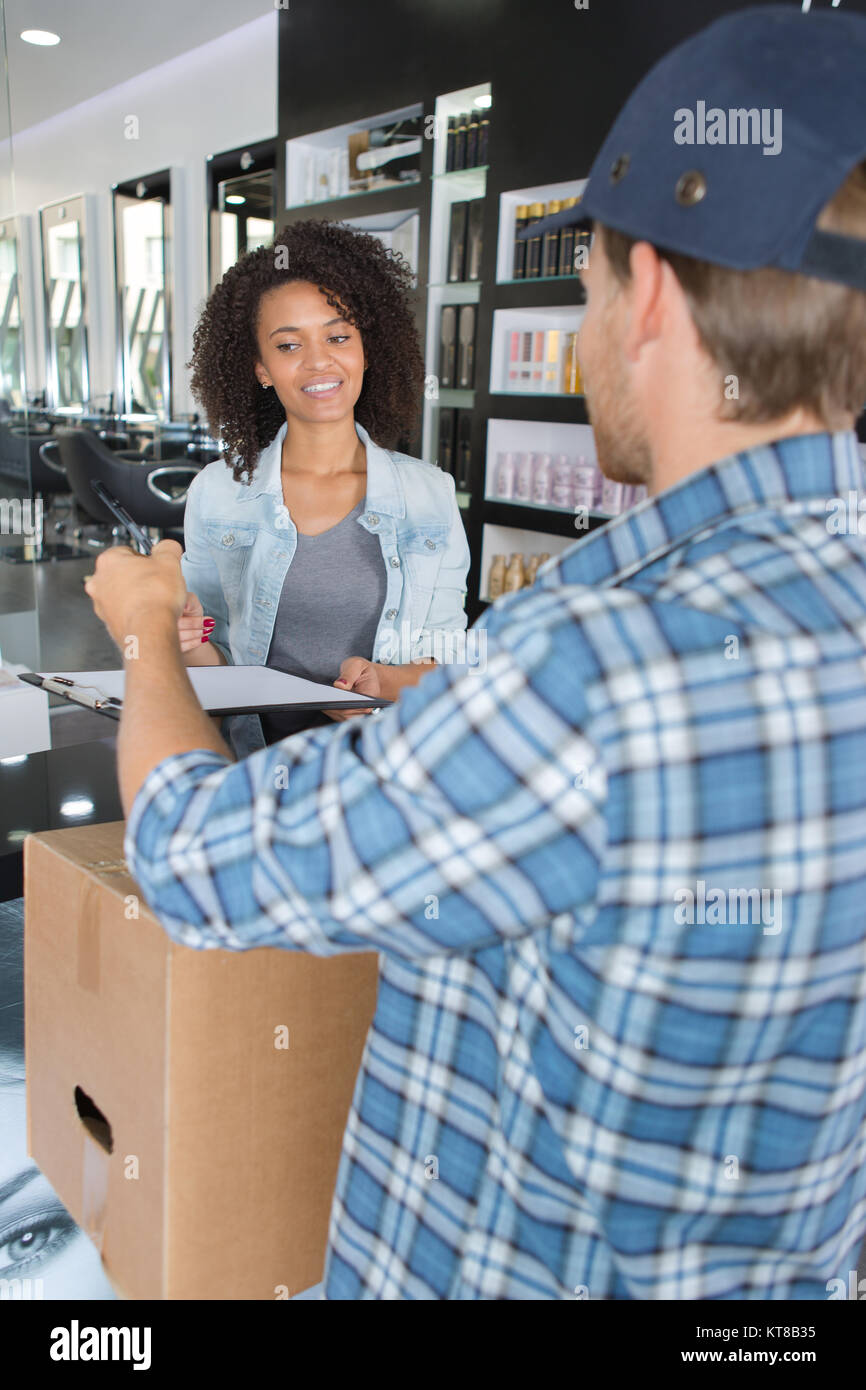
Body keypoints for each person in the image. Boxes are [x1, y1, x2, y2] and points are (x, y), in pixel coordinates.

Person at [85, 5, 866, 1299]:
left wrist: (142, 633)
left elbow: (192, 858)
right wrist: (463, 711)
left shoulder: (591, 667)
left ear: (652, 289)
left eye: (589, 281)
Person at [178, 219, 471, 755]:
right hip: (255, 771)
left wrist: (383, 682)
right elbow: (212, 662)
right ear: (262, 368)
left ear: (364, 350)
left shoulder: (430, 496)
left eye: (338, 337)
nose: (319, 362)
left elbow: (446, 660)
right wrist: (184, 640)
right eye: (289, 346)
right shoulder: (217, 495)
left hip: (382, 773)